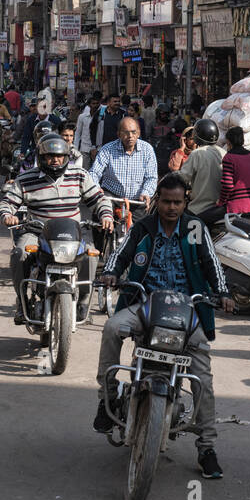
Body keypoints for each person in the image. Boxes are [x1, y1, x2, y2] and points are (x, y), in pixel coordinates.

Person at [94, 173, 233, 478]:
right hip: (145, 303)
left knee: (203, 379)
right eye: (166, 201)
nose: (171, 207)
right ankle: (108, 396)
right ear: (158, 199)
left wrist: (222, 292)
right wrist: (112, 272)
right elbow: (121, 253)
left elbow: (213, 264)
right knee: (111, 328)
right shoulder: (143, 226)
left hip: (187, 309)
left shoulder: (195, 228)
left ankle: (207, 447)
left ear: (187, 201)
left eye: (177, 202)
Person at [0, 133, 113, 322]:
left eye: (59, 156)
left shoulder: (79, 175)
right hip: (37, 232)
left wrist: (106, 215)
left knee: (92, 255)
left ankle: (84, 300)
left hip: (72, 233)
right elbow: (7, 203)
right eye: (50, 156)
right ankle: (22, 301)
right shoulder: (26, 178)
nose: (55, 160)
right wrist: (7, 215)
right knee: (19, 253)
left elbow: (99, 199)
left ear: (67, 157)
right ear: (41, 158)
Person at [89, 117, 158, 204]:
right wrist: (96, 188)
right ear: (118, 134)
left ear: (139, 133)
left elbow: (151, 177)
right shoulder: (107, 149)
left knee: (142, 217)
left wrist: (146, 192)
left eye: (133, 132)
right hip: (111, 197)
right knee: (103, 213)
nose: (130, 136)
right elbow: (94, 172)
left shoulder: (147, 149)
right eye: (126, 132)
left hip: (138, 200)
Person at [219, 126, 250, 218]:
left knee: (204, 218)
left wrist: (221, 202)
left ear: (228, 142)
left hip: (236, 208)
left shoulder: (229, 158)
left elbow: (228, 186)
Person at [178, 118, 224, 214]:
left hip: (199, 208)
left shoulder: (197, 153)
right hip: (220, 207)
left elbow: (182, 177)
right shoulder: (223, 152)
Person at [74, 92, 101, 158]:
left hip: (98, 149)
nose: (95, 105)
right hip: (85, 149)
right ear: (89, 105)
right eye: (93, 103)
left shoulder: (102, 117)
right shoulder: (82, 117)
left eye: (97, 103)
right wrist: (75, 148)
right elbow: (78, 133)